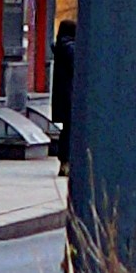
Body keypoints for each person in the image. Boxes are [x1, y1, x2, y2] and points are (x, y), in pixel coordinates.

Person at [49, 16, 76, 173]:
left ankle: (64, 161)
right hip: (70, 95)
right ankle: (67, 161)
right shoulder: (70, 48)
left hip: (62, 96)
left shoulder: (59, 47)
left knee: (67, 130)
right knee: (71, 131)